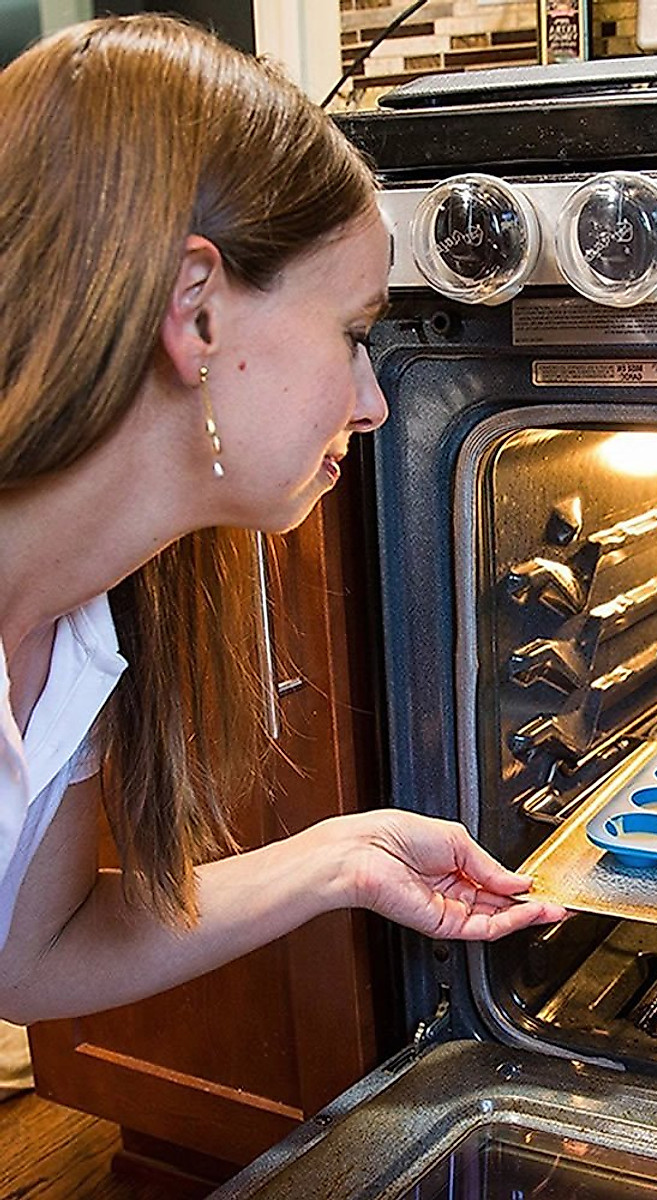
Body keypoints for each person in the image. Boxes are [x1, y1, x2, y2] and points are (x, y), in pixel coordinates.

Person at [0, 15, 567, 1025]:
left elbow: (27, 959)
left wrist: (344, 857)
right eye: (352, 333)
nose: (374, 402)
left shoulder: (72, 624)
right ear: (197, 311)